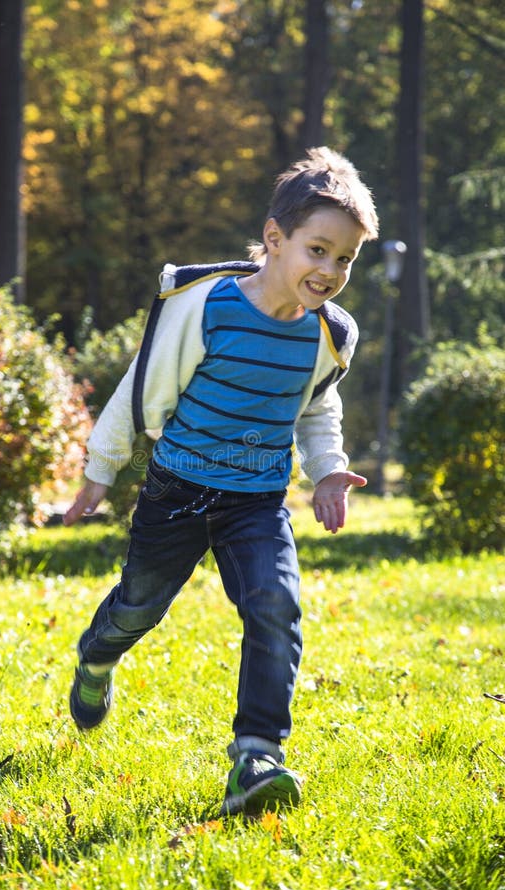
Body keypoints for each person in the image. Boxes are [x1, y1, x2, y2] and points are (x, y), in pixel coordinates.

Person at [63, 146, 379, 816]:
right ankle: (97, 656)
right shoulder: (206, 306)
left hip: (257, 503)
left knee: (275, 605)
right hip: (176, 491)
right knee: (140, 607)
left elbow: (319, 406)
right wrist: (99, 472)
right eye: (317, 250)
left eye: (345, 259)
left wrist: (325, 472)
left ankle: (257, 756)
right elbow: (138, 386)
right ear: (275, 239)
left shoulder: (329, 335)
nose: (330, 270)